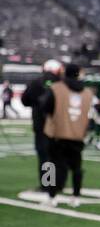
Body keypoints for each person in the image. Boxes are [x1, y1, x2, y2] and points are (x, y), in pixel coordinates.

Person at [40, 63, 95, 207]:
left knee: (52, 166)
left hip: (57, 134)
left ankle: (51, 196)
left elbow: (45, 108)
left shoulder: (56, 88)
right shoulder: (88, 92)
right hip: (77, 135)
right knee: (77, 168)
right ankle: (76, 197)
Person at [23, 60, 61, 189]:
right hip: (57, 125)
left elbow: (24, 100)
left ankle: (47, 184)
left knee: (44, 155)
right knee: (57, 155)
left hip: (40, 125)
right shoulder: (62, 83)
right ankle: (58, 183)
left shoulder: (35, 82)